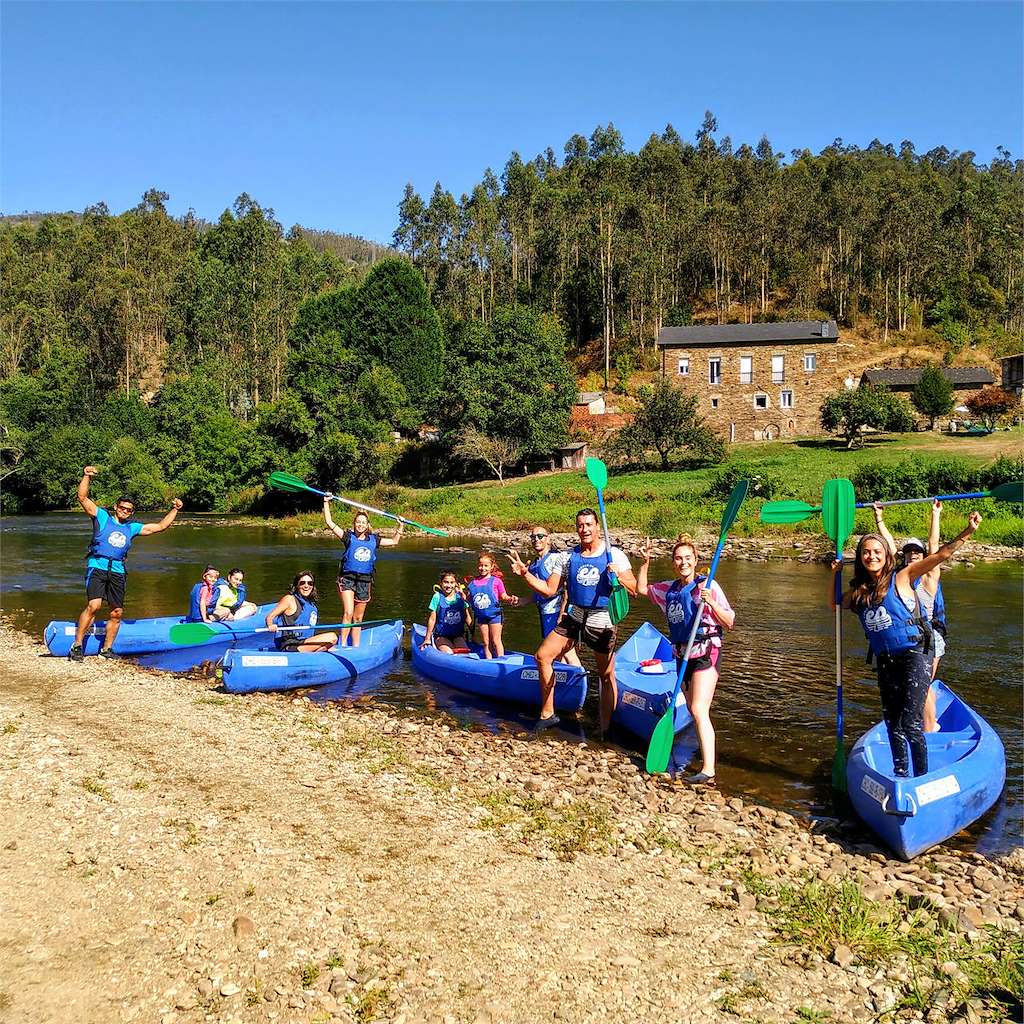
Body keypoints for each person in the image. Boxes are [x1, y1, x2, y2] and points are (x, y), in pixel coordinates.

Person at [831, 511, 981, 778]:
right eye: (866, 552)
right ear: (861, 557)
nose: (872, 556)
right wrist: (836, 575)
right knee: (892, 723)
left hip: (916, 654)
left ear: (887, 556)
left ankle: (921, 777)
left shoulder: (902, 576)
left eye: (877, 551)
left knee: (911, 722)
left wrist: (967, 532)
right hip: (887, 661)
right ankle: (901, 774)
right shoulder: (859, 593)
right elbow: (834, 604)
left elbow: (940, 555)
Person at [509, 507, 637, 732]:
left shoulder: (613, 554)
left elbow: (635, 589)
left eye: (589, 524)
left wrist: (618, 577)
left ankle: (606, 729)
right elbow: (549, 590)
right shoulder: (567, 557)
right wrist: (525, 575)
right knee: (542, 656)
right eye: (580, 525)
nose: (584, 529)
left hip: (601, 620)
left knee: (606, 676)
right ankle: (548, 713)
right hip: (575, 616)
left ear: (597, 527)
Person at [636, 534, 735, 786]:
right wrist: (645, 562)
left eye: (688, 558)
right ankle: (695, 756)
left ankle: (709, 770)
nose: (683, 563)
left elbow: (730, 621)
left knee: (700, 709)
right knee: (692, 710)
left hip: (706, 652)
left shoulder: (708, 585)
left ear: (696, 560)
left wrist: (710, 601)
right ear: (673, 563)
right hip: (682, 655)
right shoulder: (669, 589)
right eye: (678, 559)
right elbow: (640, 589)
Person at [67, 466, 183, 661]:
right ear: (116, 507)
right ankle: (77, 645)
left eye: (128, 510)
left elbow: (161, 527)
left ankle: (107, 649)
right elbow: (83, 499)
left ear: (131, 512)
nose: (124, 511)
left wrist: (175, 509)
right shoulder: (102, 517)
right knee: (94, 606)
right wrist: (86, 476)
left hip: (118, 571)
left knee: (117, 611)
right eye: (122, 508)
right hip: (97, 567)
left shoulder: (132, 527)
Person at [872, 500, 947, 732]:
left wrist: (935, 514)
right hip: (909, 637)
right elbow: (890, 547)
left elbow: (935, 546)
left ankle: (929, 728)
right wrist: (879, 518)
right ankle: (921, 724)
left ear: (923, 555)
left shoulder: (929, 575)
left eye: (917, 551)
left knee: (921, 687)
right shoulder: (899, 576)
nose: (913, 554)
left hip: (930, 637)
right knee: (916, 685)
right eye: (909, 552)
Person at [323, 502, 403, 647]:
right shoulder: (348, 537)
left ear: (367, 525)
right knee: (348, 612)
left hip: (364, 581)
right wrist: (326, 502)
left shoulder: (374, 539)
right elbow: (329, 522)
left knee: (358, 618)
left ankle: (356, 646)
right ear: (354, 523)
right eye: (358, 522)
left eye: (363, 522)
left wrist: (400, 526)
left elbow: (394, 541)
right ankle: (342, 646)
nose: (360, 524)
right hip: (347, 579)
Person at [514, 526, 582, 668]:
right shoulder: (533, 565)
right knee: (557, 653)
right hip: (545, 613)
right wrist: (523, 600)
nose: (536, 540)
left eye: (540, 536)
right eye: (533, 537)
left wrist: (562, 613)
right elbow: (539, 593)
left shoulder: (555, 559)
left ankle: (580, 677)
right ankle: (563, 679)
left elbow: (566, 588)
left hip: (557, 612)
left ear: (548, 539)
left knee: (567, 651)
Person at [265, 572, 338, 653]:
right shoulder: (289, 599)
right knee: (332, 637)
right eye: (302, 583)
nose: (306, 586)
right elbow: (270, 617)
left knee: (330, 643)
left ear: (313, 587)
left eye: (310, 583)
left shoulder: (312, 606)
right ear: (297, 585)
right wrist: (270, 625)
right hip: (291, 645)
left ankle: (314, 655)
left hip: (305, 642)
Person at [466, 553, 519, 658]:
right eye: (481, 565)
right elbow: (469, 600)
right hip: (481, 617)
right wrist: (460, 595)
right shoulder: (472, 583)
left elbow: (503, 596)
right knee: (486, 642)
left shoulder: (496, 581)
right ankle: (489, 661)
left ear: (491, 567)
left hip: (495, 615)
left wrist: (510, 599)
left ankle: (501, 660)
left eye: (486, 565)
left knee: (496, 640)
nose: (483, 568)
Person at [420, 570, 472, 653]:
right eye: (446, 582)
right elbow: (432, 619)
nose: (449, 585)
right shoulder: (437, 597)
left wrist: (474, 636)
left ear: (456, 584)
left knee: (464, 652)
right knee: (449, 652)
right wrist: (427, 639)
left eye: (452, 582)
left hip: (458, 636)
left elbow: (467, 618)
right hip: (441, 636)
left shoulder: (461, 597)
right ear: (441, 583)